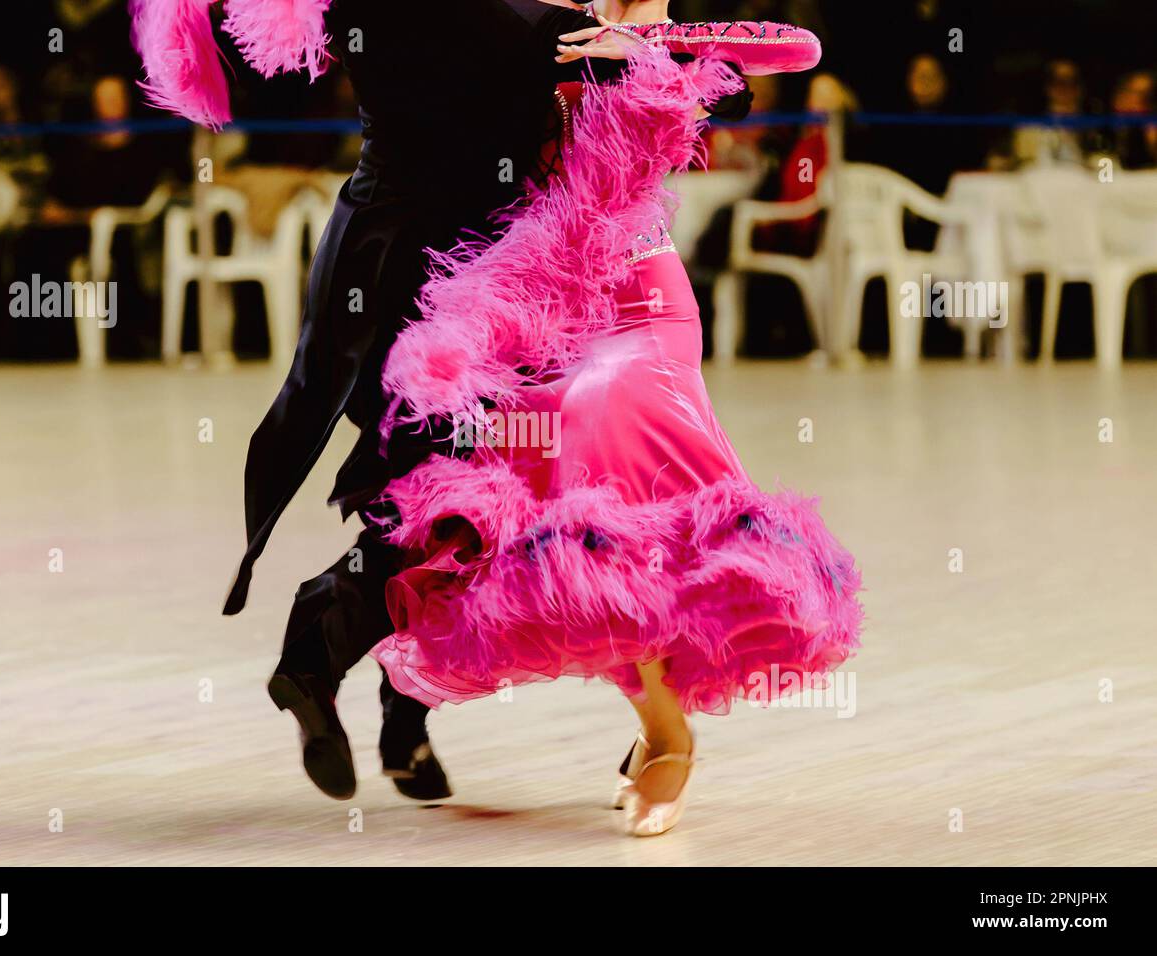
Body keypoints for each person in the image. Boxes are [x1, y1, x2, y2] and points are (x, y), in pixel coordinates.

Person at [131, 0, 767, 804]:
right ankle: (333, 664)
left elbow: (678, 75)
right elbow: (540, 48)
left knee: (454, 501)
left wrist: (687, 70)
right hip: (442, 285)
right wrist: (662, 65)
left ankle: (391, 707)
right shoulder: (493, 21)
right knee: (447, 502)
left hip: (446, 276)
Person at [369, 5, 861, 837]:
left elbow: (798, 47)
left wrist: (648, 47)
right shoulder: (543, 29)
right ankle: (656, 719)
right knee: (580, 514)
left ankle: (668, 735)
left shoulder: (664, 39)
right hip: (556, 299)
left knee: (603, 419)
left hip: (646, 301)